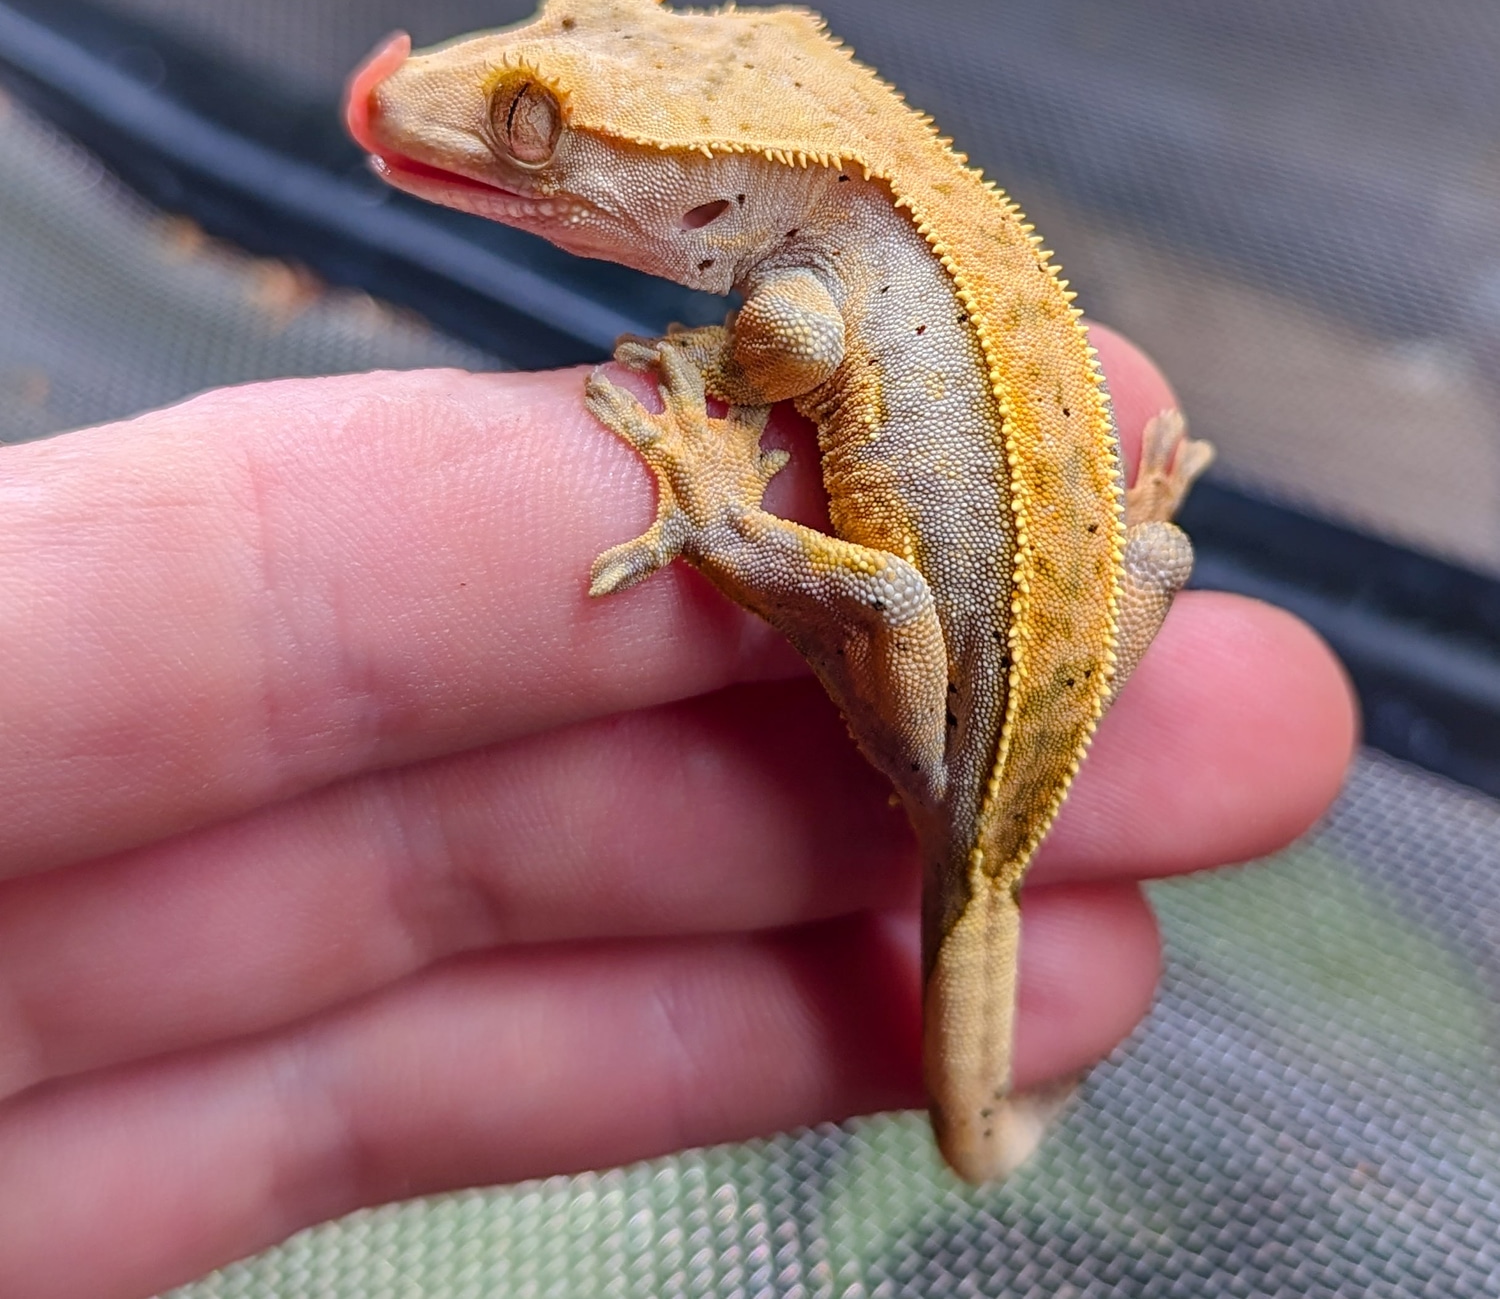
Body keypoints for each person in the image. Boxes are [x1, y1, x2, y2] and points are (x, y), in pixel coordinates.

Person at [0, 332, 1355, 1299]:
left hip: (962, 755)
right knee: (1145, 557)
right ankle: (992, 1118)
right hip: (989, 741)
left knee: (911, 603)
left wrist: (712, 510)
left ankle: (991, 1113)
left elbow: (886, 602)